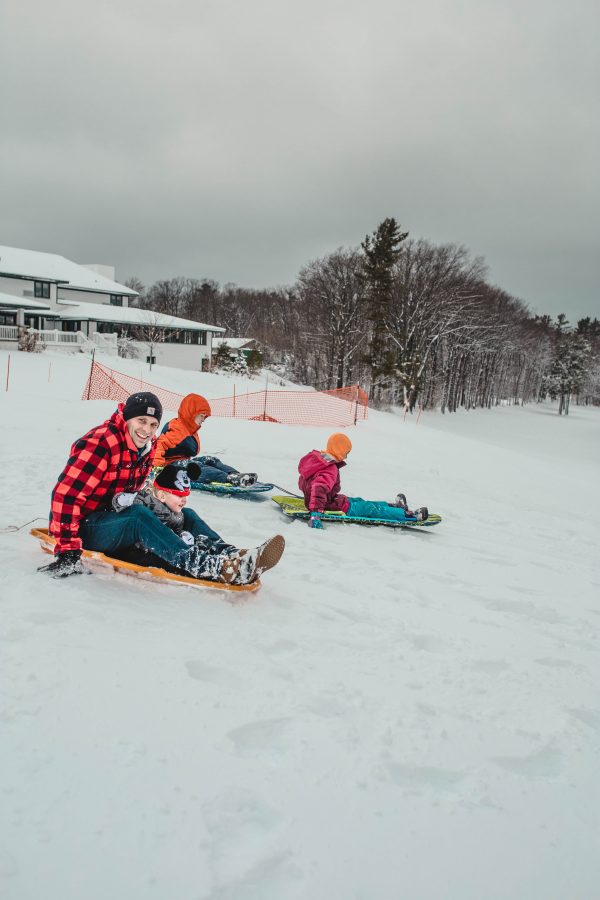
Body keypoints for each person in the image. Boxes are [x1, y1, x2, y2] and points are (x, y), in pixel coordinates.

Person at [39, 391, 284, 584]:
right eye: (141, 421)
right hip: (82, 529)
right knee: (137, 517)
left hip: (112, 519)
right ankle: (205, 565)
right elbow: (66, 496)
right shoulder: (100, 443)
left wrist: (166, 515)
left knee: (182, 514)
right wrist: (68, 550)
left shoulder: (145, 448)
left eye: (153, 424)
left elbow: (132, 494)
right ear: (127, 418)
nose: (146, 430)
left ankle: (231, 556)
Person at [297, 433, 428, 529]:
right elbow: (319, 488)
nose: (346, 456)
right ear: (339, 450)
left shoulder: (319, 460)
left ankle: (395, 506)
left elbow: (305, 484)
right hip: (328, 506)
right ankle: (408, 515)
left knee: (360, 501)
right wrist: (315, 514)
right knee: (370, 509)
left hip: (331, 500)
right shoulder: (329, 468)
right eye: (346, 452)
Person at [154, 393, 258, 487]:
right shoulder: (177, 429)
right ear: (191, 414)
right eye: (201, 416)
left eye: (205, 416)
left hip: (183, 463)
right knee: (198, 467)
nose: (203, 419)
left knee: (210, 460)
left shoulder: (189, 429)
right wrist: (156, 468)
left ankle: (234, 474)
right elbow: (159, 445)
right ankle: (228, 478)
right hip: (169, 468)